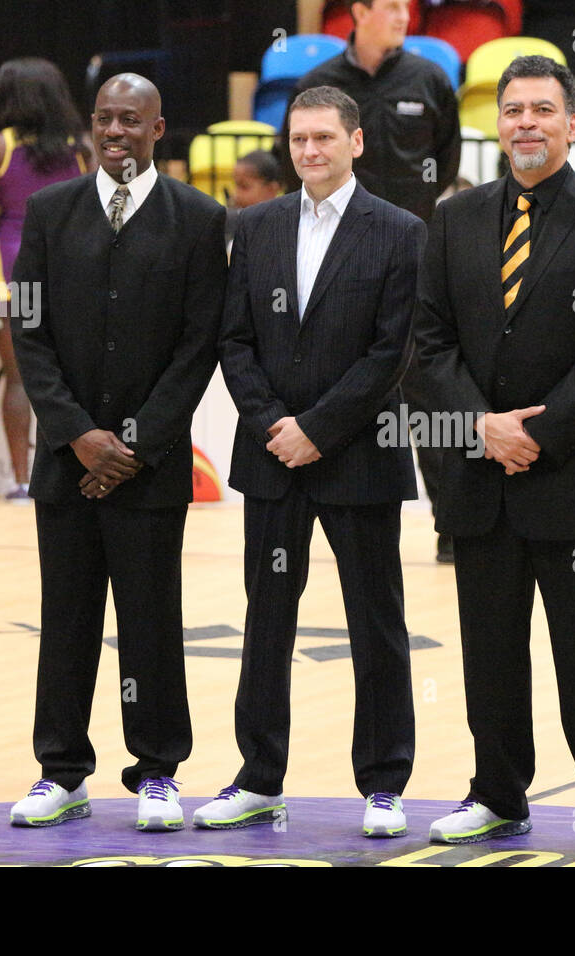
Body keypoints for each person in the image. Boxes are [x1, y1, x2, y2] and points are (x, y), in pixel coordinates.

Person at [414, 55, 575, 854]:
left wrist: (538, 432)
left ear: (572, 122)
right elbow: (428, 343)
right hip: (479, 476)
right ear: (498, 121)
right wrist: (481, 426)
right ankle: (496, 793)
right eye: (514, 109)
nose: (526, 122)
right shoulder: (453, 219)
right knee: (490, 653)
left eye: (542, 110)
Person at [196, 85, 424, 838]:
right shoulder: (254, 228)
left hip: (357, 457)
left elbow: (391, 352)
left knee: (377, 622)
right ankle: (259, 777)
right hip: (273, 458)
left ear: (356, 143)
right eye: (298, 140)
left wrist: (318, 429)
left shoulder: (399, 232)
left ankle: (385, 784)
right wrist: (272, 425)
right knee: (267, 620)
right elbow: (234, 341)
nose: (310, 151)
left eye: (324, 138)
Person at [7, 73, 226, 831]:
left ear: (159, 129)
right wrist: (79, 435)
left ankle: (158, 771)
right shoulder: (47, 211)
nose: (114, 132)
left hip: (150, 468)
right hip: (67, 463)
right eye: (104, 120)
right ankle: (60, 770)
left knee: (151, 621)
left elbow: (199, 349)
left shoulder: (201, 219)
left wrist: (132, 444)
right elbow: (27, 333)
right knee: (63, 619)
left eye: (130, 121)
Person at [291, 0, 461, 563]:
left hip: (414, 255)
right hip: (338, 259)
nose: (403, 14)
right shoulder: (319, 85)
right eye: (389, 4)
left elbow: (447, 152)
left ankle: (451, 523)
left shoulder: (430, 77)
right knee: (338, 382)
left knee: (429, 395)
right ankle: (321, 513)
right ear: (358, 11)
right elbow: (294, 156)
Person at [0, 57, 92, 504]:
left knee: (19, 379)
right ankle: (77, 473)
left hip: (14, 273)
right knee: (74, 379)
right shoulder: (81, 146)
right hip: (74, 271)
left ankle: (21, 481)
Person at [225, 149, 282, 253]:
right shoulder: (230, 223)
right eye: (236, 185)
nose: (236, 195)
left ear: (271, 190)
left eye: (244, 187)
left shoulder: (282, 226)